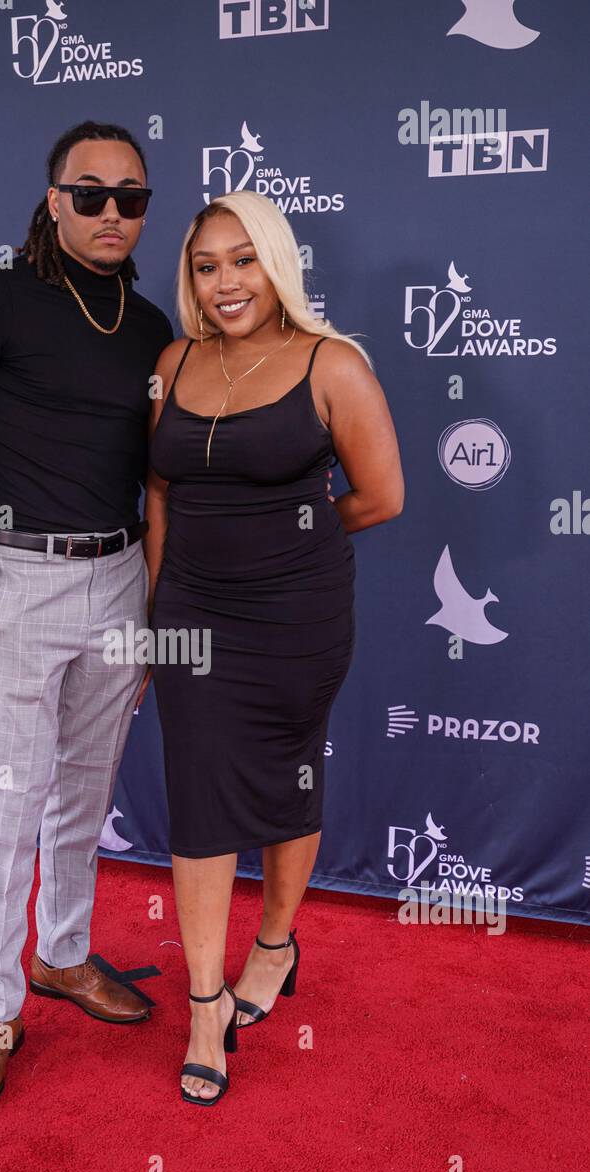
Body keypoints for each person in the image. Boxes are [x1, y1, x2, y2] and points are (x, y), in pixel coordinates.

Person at [0, 120, 174, 1111]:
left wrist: (149, 598)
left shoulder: (148, 326)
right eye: (92, 193)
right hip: (18, 581)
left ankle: (62, 953)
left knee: (81, 794)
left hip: (119, 582)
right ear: (54, 199)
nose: (113, 213)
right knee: (8, 806)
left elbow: (156, 475)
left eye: (132, 197)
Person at [145, 190, 403, 1106]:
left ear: (277, 264)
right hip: (191, 613)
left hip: (297, 618)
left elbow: (379, 497)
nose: (225, 282)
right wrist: (155, 619)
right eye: (207, 265)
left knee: (291, 773)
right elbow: (162, 495)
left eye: (243, 260)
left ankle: (276, 943)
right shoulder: (172, 363)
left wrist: (287, 540)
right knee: (201, 795)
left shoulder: (332, 364)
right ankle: (205, 1003)